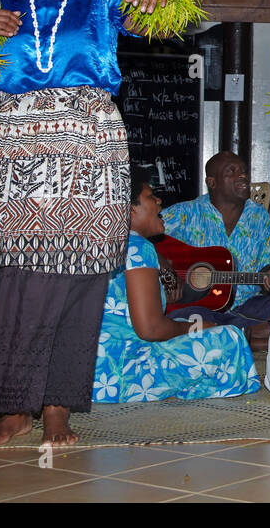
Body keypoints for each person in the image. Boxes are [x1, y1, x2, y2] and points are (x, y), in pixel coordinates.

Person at [0, 0, 169, 446]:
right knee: (8, 275)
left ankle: (56, 405)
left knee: (78, 275)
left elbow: (155, 21)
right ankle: (11, 406)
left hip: (89, 149)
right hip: (11, 152)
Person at [93, 167, 259, 403]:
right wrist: (195, 330)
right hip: (122, 371)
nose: (159, 201)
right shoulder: (138, 247)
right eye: (151, 197)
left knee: (191, 323)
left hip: (92, 370)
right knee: (230, 339)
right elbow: (150, 330)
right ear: (130, 210)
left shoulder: (105, 244)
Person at [161, 151, 270, 349]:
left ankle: (231, 333)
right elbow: (137, 233)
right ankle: (241, 334)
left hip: (247, 305)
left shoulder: (259, 217)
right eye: (231, 171)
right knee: (180, 322)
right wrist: (164, 267)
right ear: (212, 182)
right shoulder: (185, 213)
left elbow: (268, 262)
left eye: (243, 171)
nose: (242, 175)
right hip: (198, 307)